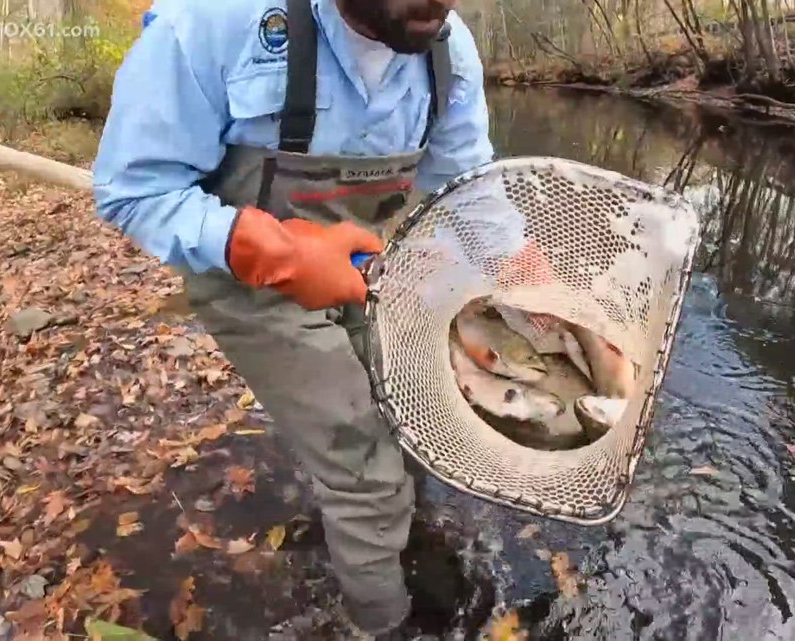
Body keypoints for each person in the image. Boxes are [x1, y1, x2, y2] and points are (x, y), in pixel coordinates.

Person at [91, 0, 494, 637]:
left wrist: (523, 273)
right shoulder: (212, 24)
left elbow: (470, 189)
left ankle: (398, 538)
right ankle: (379, 621)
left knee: (411, 411)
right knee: (361, 461)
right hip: (249, 285)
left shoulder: (449, 47)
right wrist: (269, 253)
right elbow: (134, 190)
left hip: (366, 270)